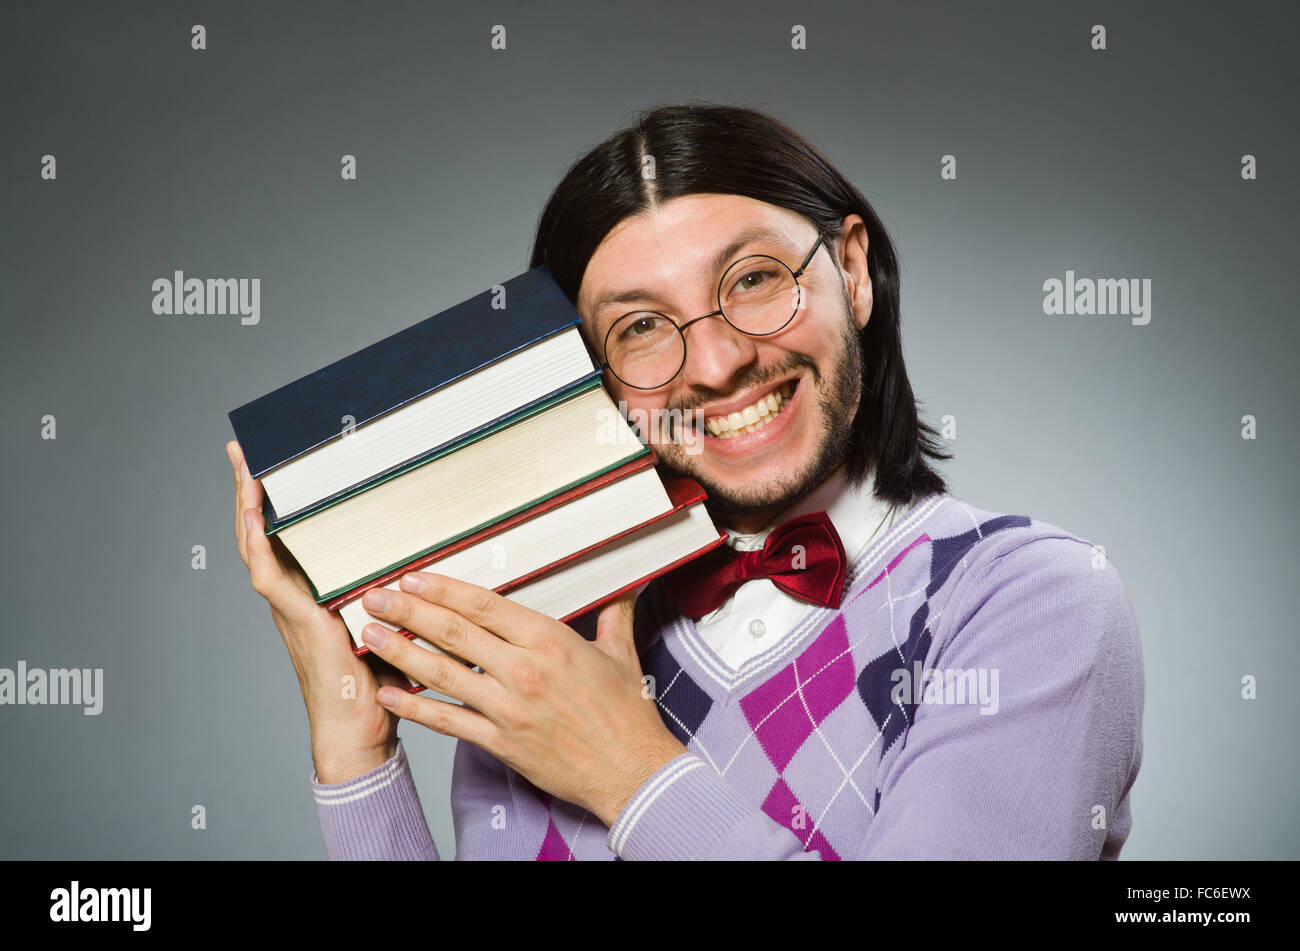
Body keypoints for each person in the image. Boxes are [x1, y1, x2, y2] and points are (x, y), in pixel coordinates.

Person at [226, 103, 1143, 860]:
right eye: (639, 328)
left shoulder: (1030, 599)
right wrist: (355, 748)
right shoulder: (548, 647)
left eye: (753, 278)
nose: (714, 362)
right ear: (589, 380)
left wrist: (628, 770)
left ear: (853, 272)